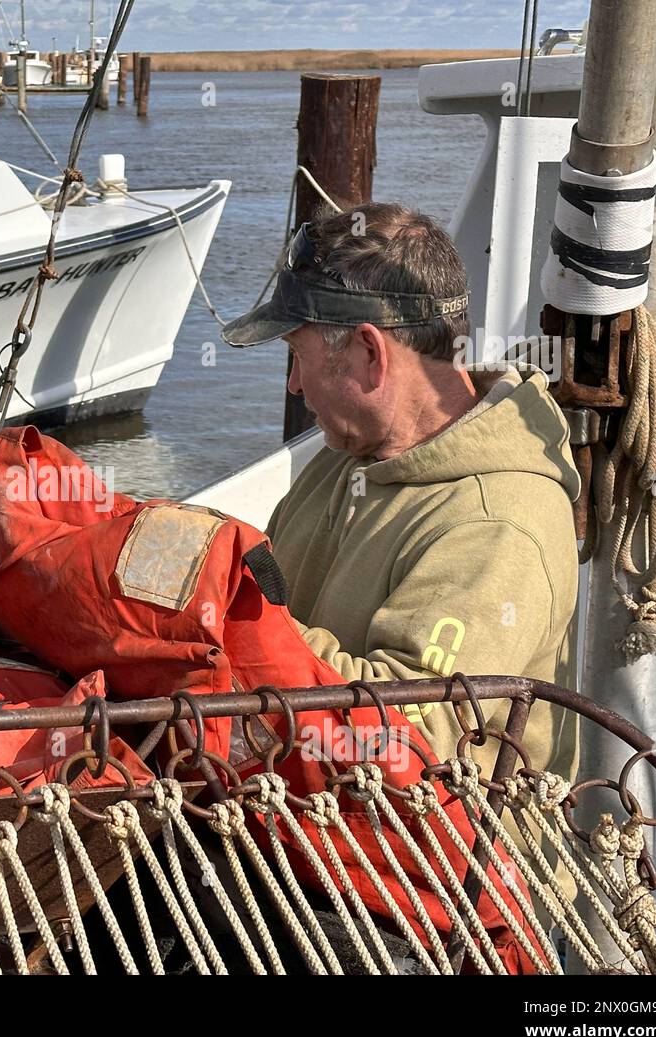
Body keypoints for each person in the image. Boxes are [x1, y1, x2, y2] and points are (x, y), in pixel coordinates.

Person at [222, 202, 581, 784]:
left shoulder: (496, 523)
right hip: (307, 811)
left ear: (369, 353)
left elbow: (412, 737)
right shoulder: (346, 455)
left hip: (444, 865)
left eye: (297, 356)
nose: (292, 384)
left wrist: (229, 611)